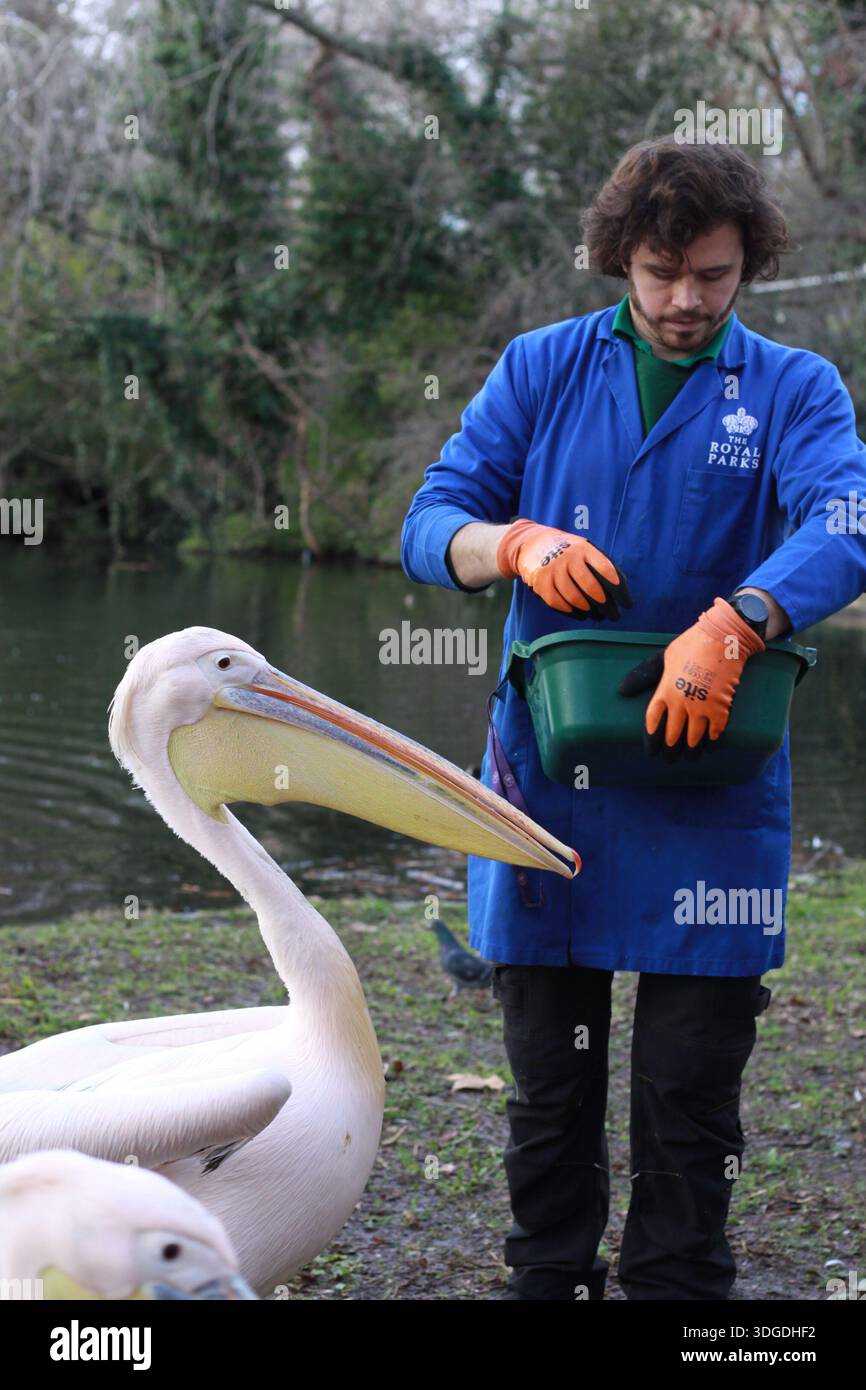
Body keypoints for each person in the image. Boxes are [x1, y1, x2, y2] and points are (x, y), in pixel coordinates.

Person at [400, 136, 866, 1301]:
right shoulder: (540, 367)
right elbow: (430, 522)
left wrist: (739, 620)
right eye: (660, 273)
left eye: (710, 274)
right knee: (548, 1084)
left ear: (743, 265)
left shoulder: (791, 389)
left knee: (687, 1086)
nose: (682, 301)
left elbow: (848, 519)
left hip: (712, 790)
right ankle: (545, 1279)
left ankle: (676, 1292)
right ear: (620, 259)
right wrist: (511, 541)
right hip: (545, 790)